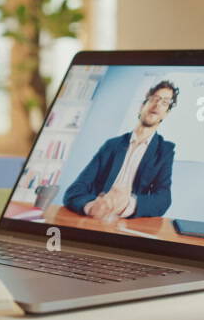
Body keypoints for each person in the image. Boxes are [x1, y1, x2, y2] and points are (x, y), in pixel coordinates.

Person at [63, 80, 178, 219]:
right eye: (155, 99)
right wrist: (92, 206)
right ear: (142, 106)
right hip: (96, 216)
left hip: (127, 220)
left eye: (165, 102)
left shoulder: (165, 150)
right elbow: (75, 189)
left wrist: (128, 204)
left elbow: (163, 199)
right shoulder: (112, 145)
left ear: (166, 113)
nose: (158, 104)